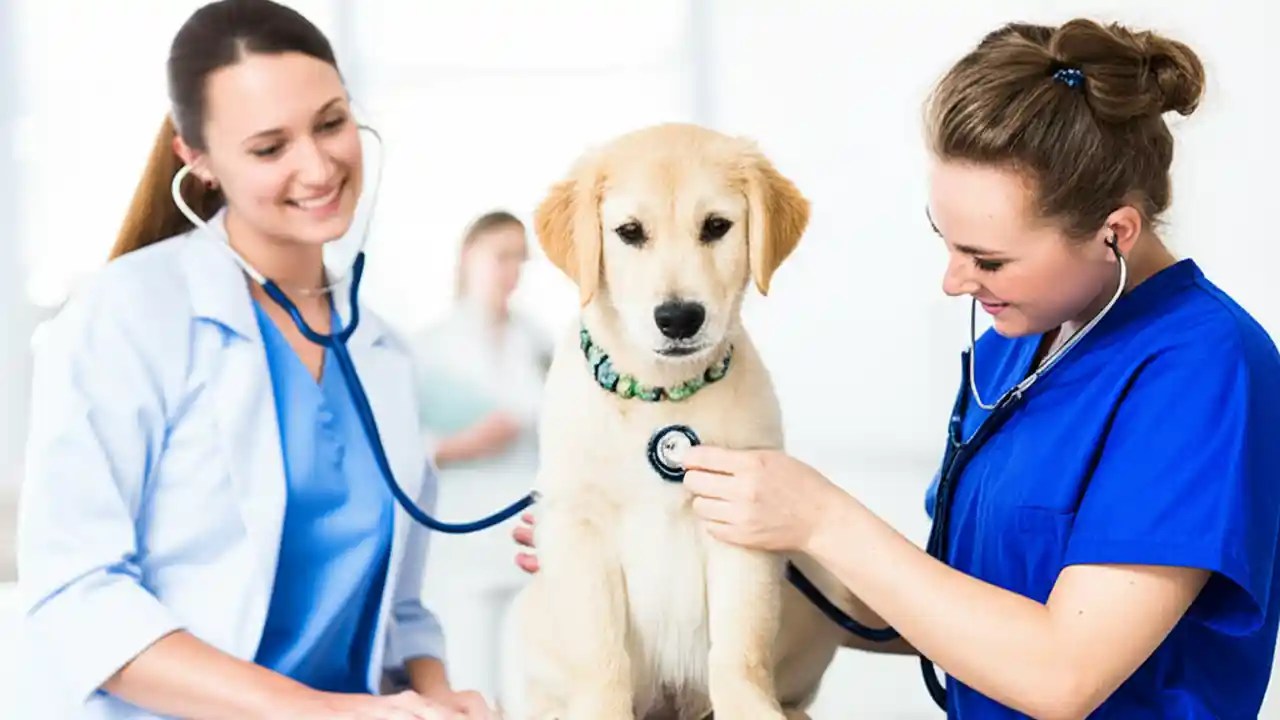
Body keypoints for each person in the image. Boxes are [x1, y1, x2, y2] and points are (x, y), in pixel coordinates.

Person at [513, 17, 1280, 719]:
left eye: (988, 258)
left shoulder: (1204, 373)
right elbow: (941, 616)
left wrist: (820, 516)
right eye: (944, 241)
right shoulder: (1019, 345)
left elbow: (1061, 673)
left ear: (1115, 233)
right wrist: (657, 569)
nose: (954, 281)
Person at [16, 1, 493, 718]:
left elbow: (400, 611)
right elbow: (78, 597)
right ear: (198, 161)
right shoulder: (127, 314)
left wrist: (437, 697)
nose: (318, 165)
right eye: (270, 148)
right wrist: (324, 712)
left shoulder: (383, 350)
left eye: (331, 122)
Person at [411, 211, 551, 708]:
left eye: (521, 259)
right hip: (463, 542)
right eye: (502, 255)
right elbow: (403, 451)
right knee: (474, 687)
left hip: (530, 540)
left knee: (534, 688)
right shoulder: (426, 350)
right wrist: (465, 443)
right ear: (470, 256)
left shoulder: (537, 344)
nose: (512, 269)